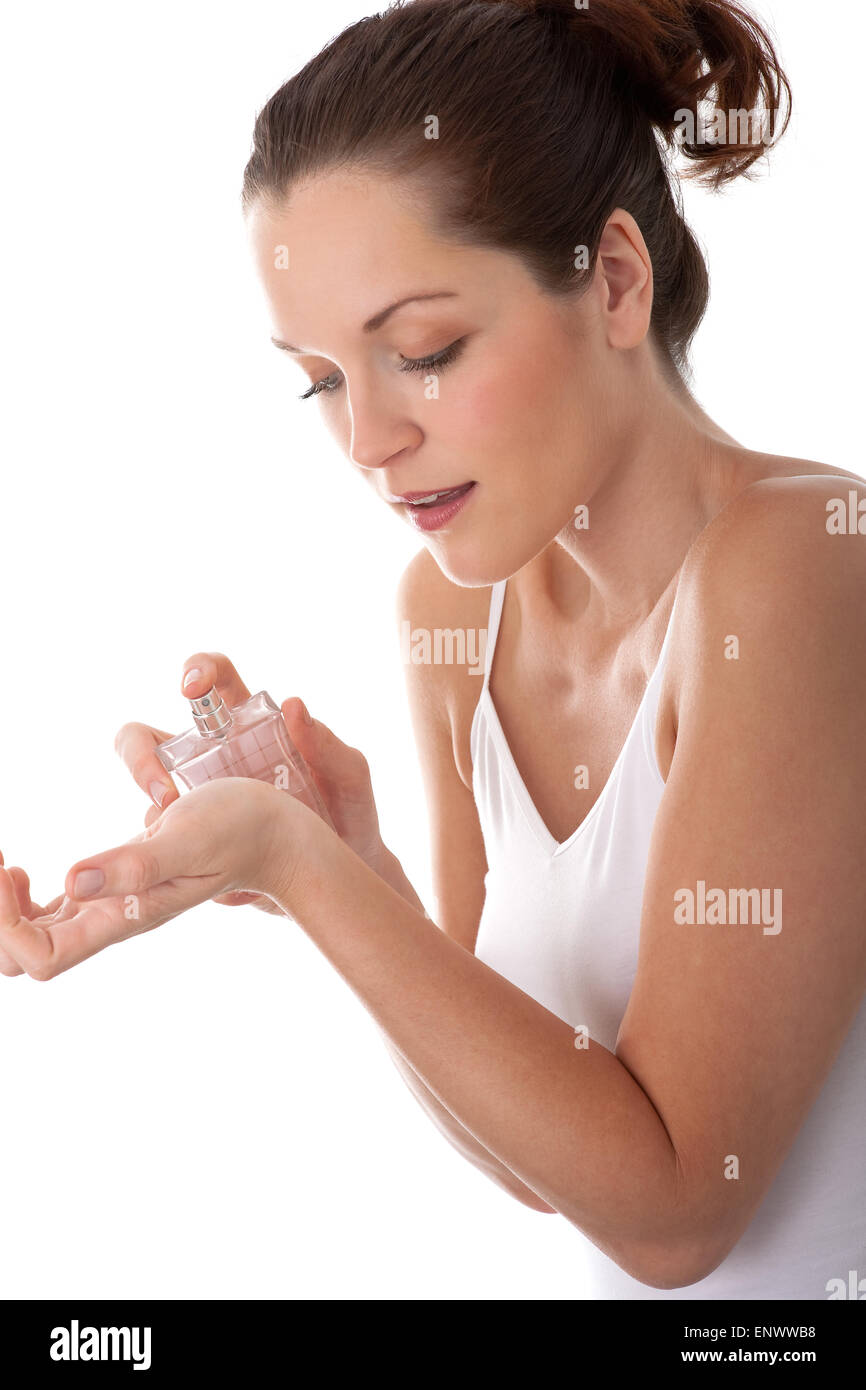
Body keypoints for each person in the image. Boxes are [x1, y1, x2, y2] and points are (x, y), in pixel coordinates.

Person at [1, 0, 864, 1300]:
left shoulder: (804, 562)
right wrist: (354, 868)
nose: (366, 442)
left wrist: (299, 867)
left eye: (422, 352)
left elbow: (683, 1209)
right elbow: (542, 1153)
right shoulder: (452, 613)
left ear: (614, 281)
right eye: (321, 381)